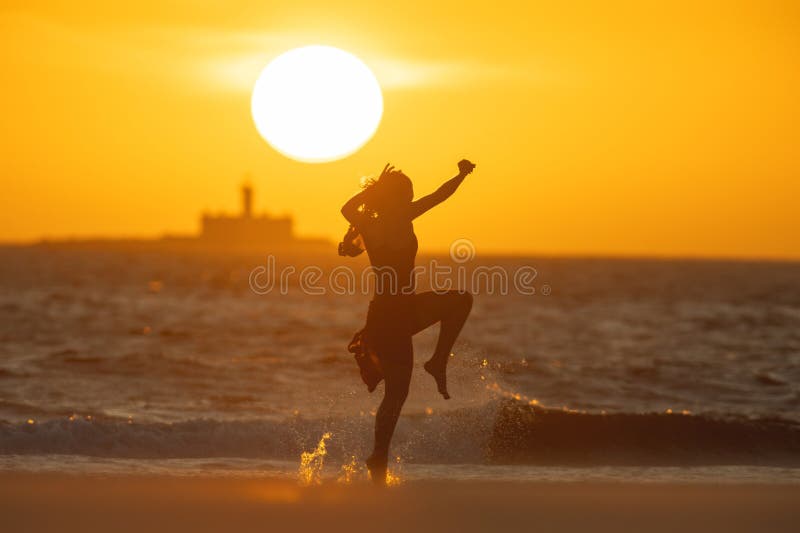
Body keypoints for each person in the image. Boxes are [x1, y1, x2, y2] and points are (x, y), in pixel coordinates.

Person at [339, 160, 476, 485]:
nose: (411, 198)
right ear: (393, 197)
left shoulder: (395, 217)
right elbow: (345, 208)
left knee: (461, 300)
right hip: (388, 317)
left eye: (410, 195)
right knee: (397, 394)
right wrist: (374, 189)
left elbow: (440, 195)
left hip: (405, 308)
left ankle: (438, 361)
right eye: (406, 194)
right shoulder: (374, 224)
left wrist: (460, 175)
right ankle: (379, 457)